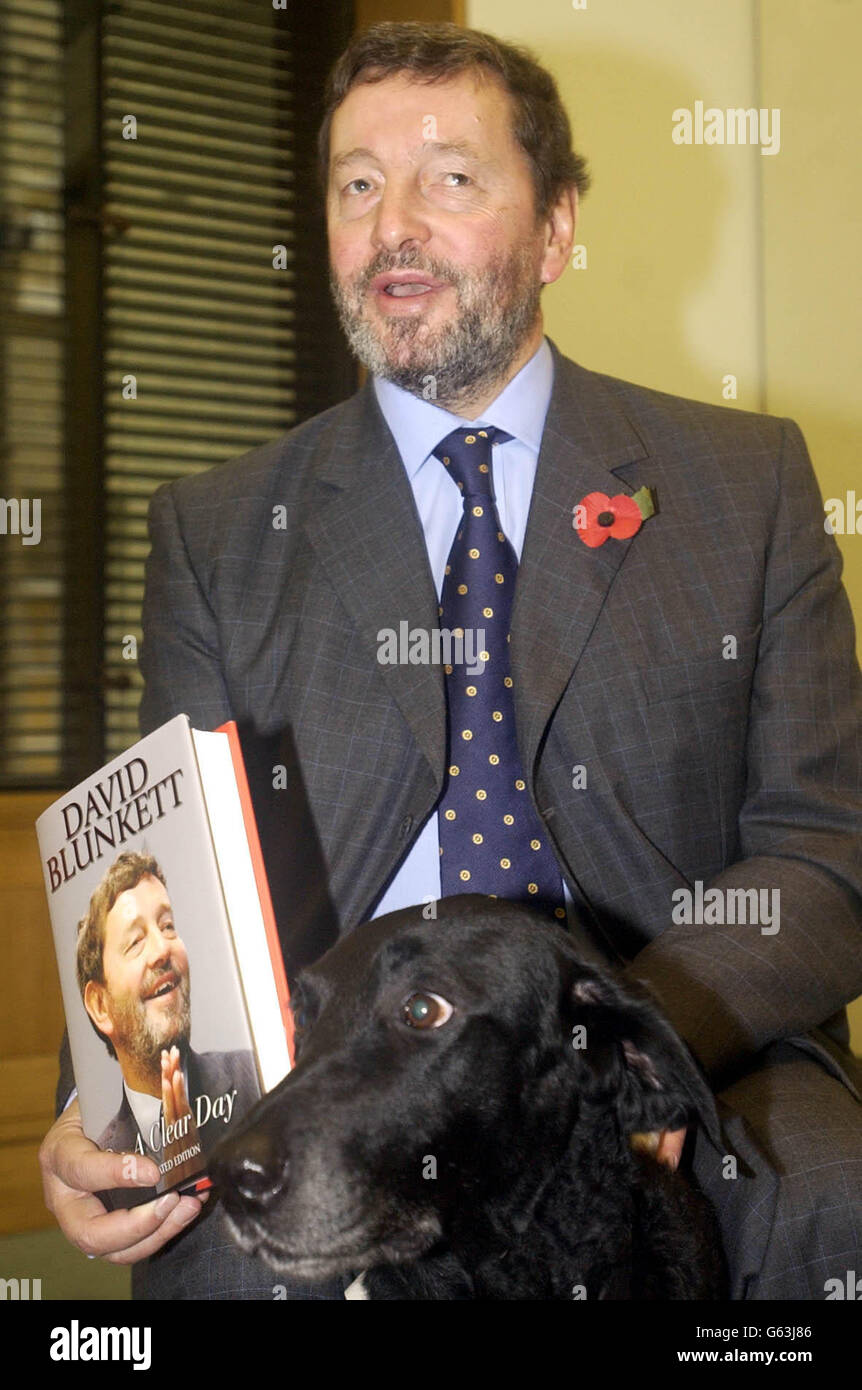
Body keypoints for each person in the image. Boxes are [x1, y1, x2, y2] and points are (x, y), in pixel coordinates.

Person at [40, 21, 861, 1301]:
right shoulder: (218, 528)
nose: (393, 226)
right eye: (357, 183)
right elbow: (160, 872)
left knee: (824, 1202)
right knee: (220, 1270)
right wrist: (107, 1108)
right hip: (341, 1066)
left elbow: (823, 850)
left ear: (557, 228)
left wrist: (616, 1050)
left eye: (450, 178)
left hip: (679, 1032)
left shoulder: (743, 486)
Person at [76, 851, 258, 1199]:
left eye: (167, 926)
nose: (162, 950)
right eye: (135, 942)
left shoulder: (256, 1076)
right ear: (101, 1006)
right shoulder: (102, 1167)